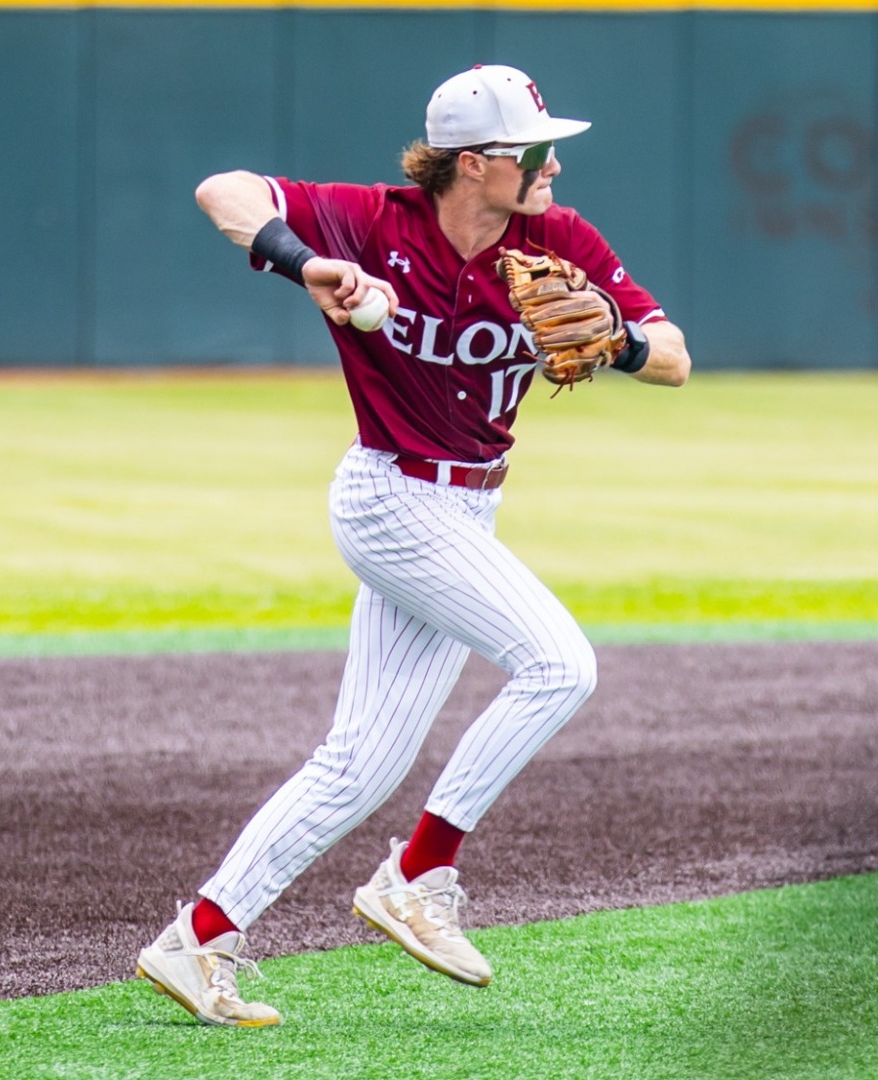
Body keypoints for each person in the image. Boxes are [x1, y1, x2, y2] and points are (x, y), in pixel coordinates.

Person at [134, 64, 690, 1026]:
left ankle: (199, 939)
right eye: (536, 151)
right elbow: (221, 191)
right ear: (475, 165)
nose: (555, 164)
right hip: (391, 496)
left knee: (359, 765)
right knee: (560, 666)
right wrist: (299, 260)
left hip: (469, 509)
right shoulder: (373, 223)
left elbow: (675, 358)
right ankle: (420, 873)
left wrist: (619, 342)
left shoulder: (558, 238)